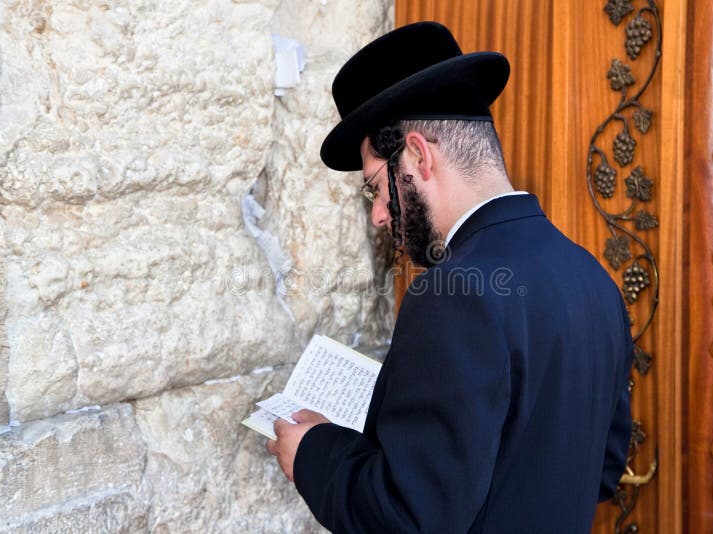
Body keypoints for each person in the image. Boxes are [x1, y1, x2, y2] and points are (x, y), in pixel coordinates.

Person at [266, 21, 633, 533]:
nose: (378, 214)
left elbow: (409, 516)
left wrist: (313, 452)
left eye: (375, 186)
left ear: (418, 155)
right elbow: (603, 469)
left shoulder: (453, 293)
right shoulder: (593, 279)